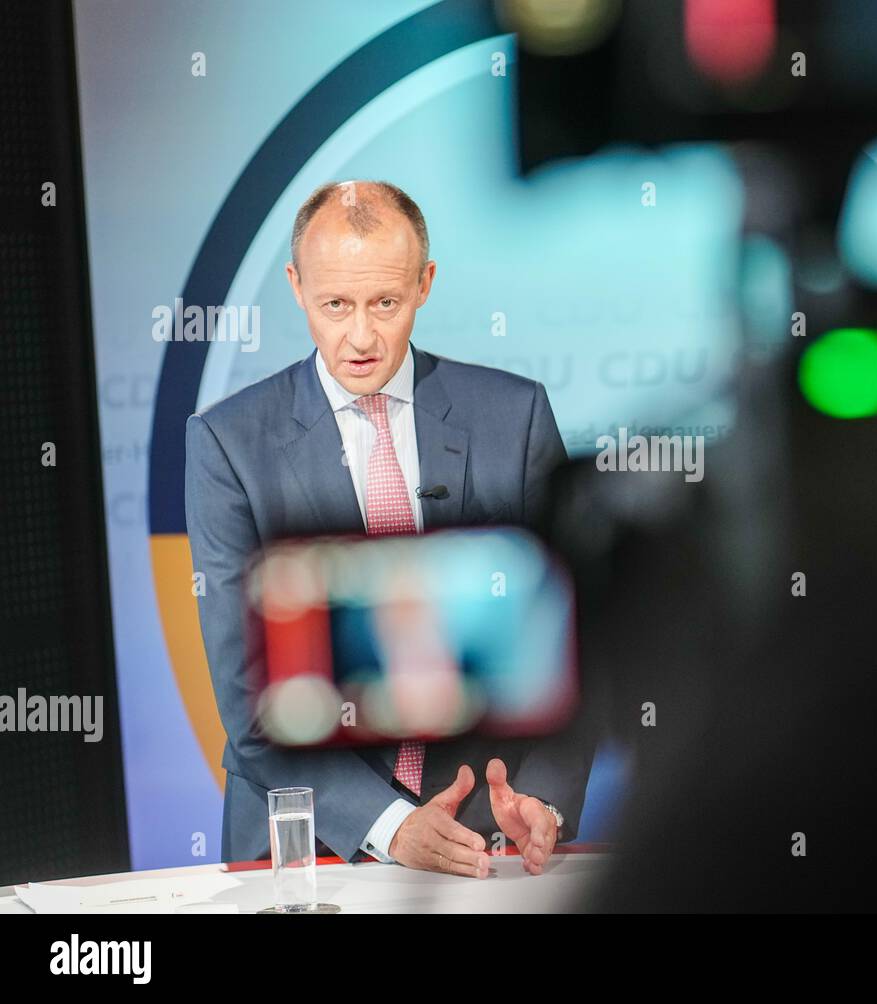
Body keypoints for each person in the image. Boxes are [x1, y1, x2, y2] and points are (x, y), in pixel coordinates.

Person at [185, 181, 591, 876]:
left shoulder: (514, 417)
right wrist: (391, 827)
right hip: (308, 842)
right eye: (335, 305)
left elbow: (572, 649)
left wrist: (543, 804)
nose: (362, 336)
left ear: (424, 283)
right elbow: (250, 696)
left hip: (486, 841)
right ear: (296, 286)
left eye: (385, 303)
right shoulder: (228, 443)